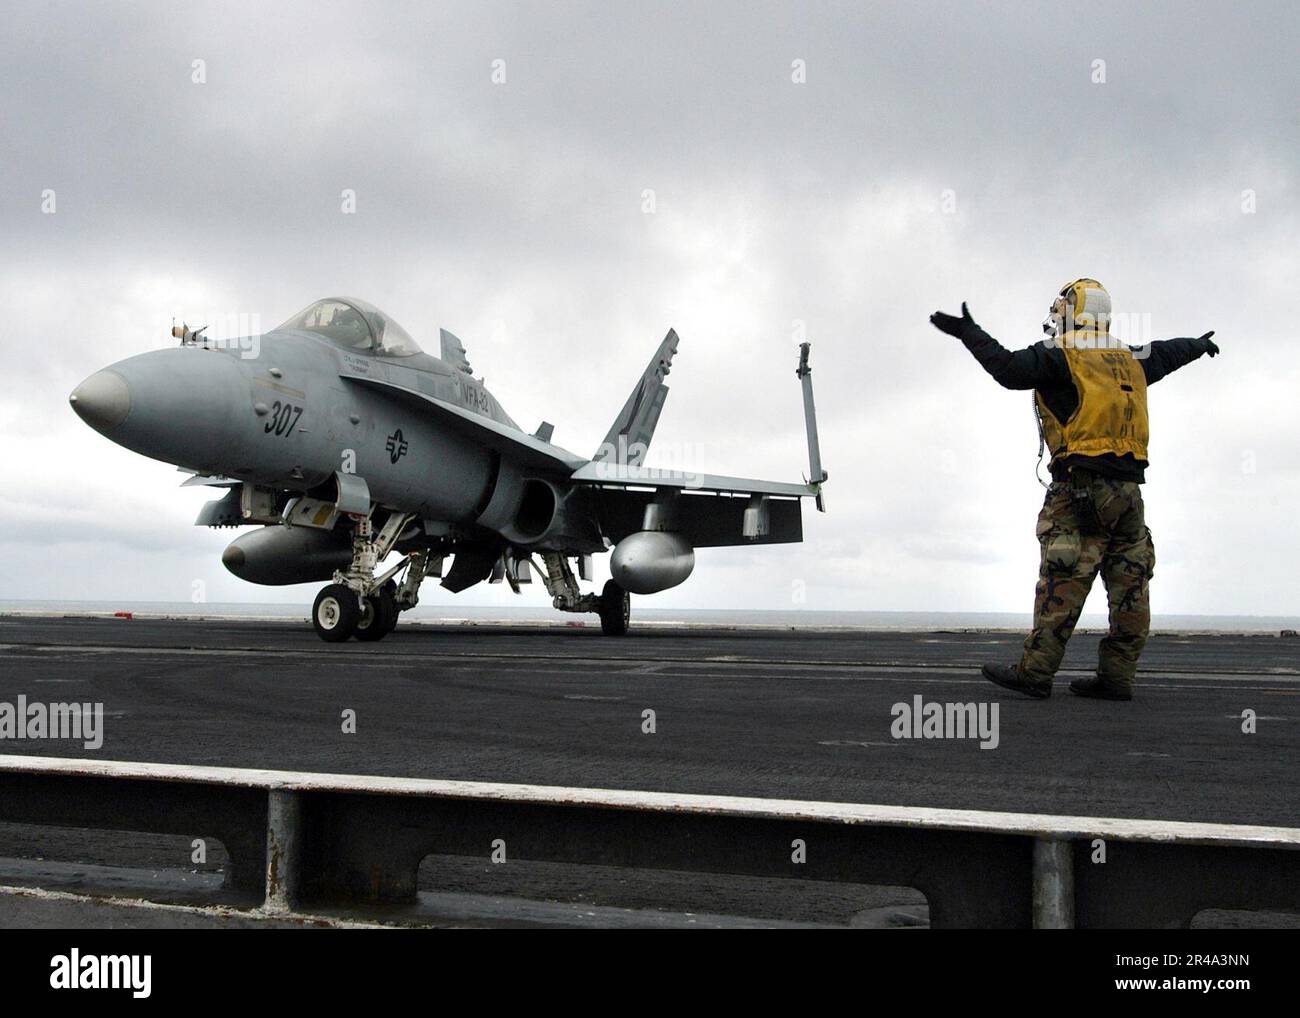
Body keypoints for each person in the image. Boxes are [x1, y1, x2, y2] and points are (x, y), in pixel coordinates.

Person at [929, 279, 1218, 700]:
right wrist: (1197, 344)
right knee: (1131, 584)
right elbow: (1168, 351)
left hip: (1078, 490)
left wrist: (968, 332)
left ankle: (1035, 674)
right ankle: (1117, 679)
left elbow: (1008, 370)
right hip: (1129, 494)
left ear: (1070, 310)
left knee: (1062, 580)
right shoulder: (1130, 357)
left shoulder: (1058, 354)